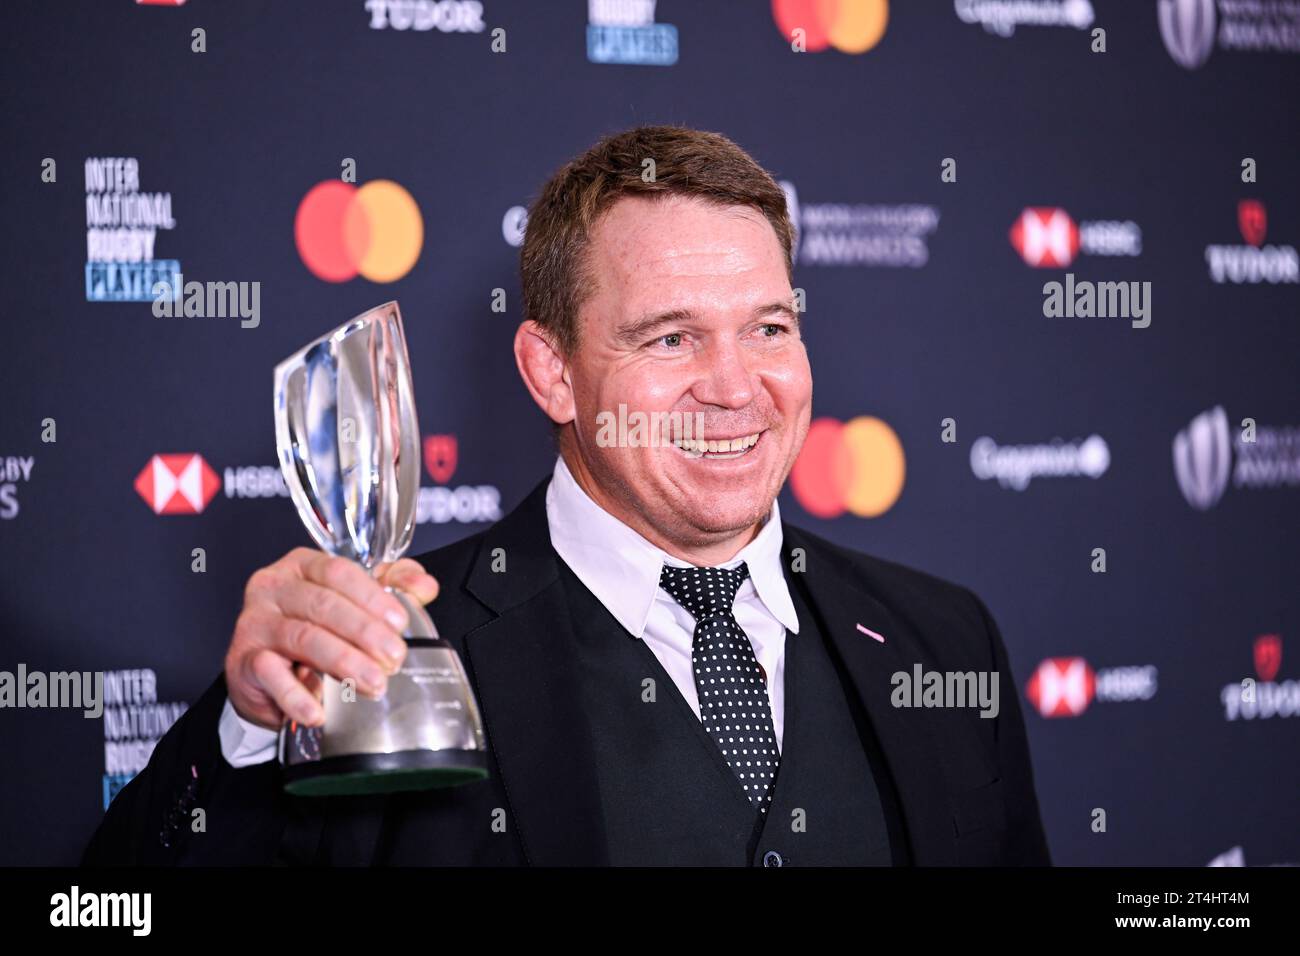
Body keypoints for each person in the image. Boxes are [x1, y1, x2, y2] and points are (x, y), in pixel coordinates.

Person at [83, 125, 1051, 866]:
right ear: (551, 372)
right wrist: (250, 730)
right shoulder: (386, 655)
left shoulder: (943, 641)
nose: (735, 384)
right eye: (671, 338)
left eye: (767, 327)